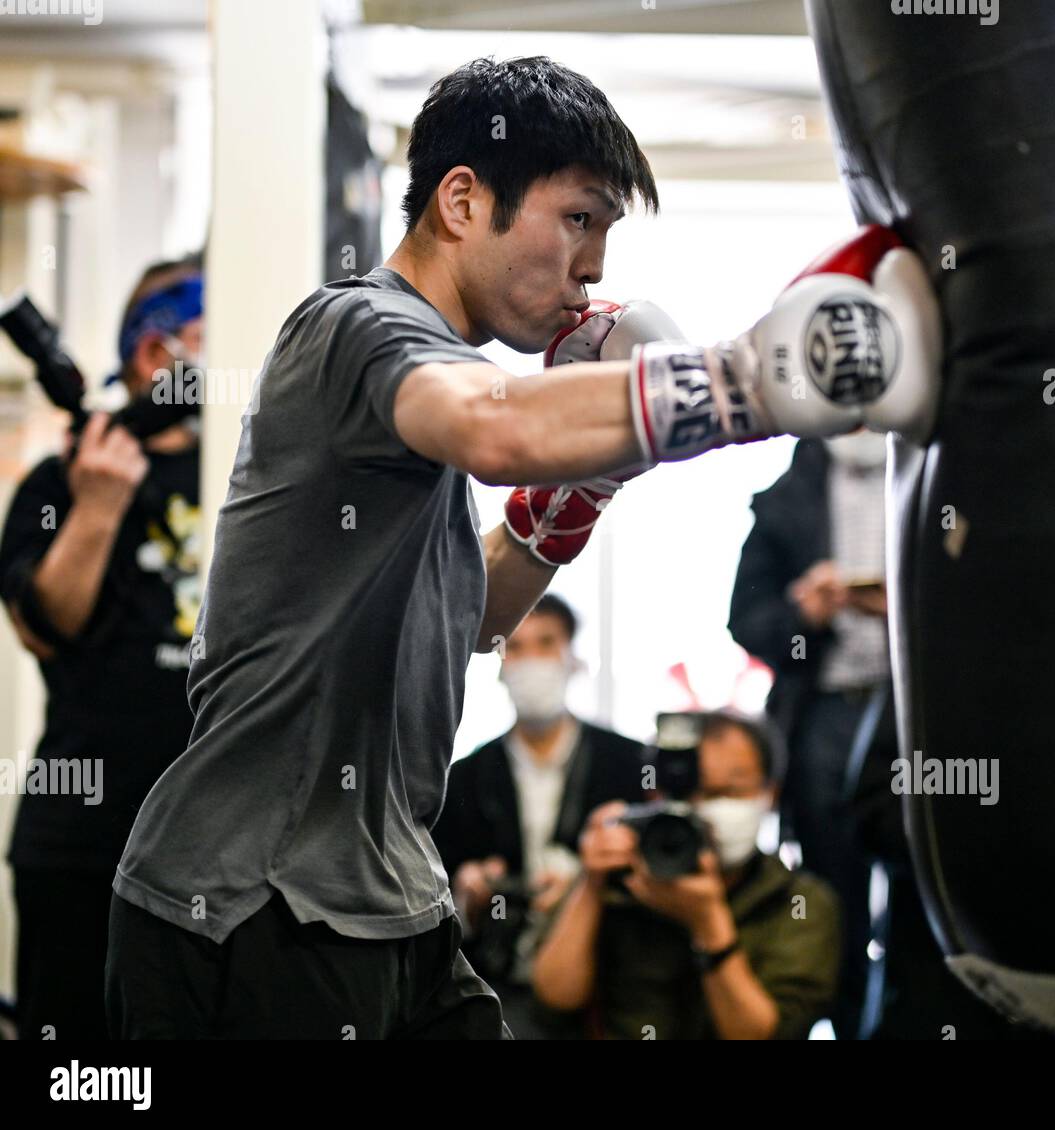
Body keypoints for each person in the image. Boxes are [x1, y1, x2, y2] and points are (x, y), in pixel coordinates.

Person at [104, 55, 936, 1040]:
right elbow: (493, 430)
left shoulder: (426, 387)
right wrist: (748, 381)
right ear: (462, 199)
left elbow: (482, 610)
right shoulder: (360, 327)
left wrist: (579, 487)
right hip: (254, 893)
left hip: (385, 884)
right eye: (577, 218)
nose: (592, 267)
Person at [0, 254, 204, 1040]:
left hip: (212, 851)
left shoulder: (243, 476)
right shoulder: (62, 481)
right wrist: (98, 507)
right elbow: (45, 627)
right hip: (80, 840)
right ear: (156, 354)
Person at [532, 709, 840, 1039]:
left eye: (732, 792)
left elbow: (767, 1034)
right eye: (697, 794)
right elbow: (555, 997)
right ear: (657, 797)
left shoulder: (801, 904)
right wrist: (591, 884)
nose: (710, 811)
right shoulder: (622, 878)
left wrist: (709, 924)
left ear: (770, 793)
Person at [728, 430, 890, 1038]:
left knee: (927, 895)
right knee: (832, 893)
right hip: (823, 714)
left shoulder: (940, 481)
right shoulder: (781, 501)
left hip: (915, 716)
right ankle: (846, 1023)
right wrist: (804, 613)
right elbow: (745, 621)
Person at [436, 593, 645, 1038]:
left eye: (546, 643)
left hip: (611, 980)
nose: (531, 662)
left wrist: (584, 885)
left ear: (572, 657)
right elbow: (437, 881)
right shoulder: (462, 780)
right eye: (516, 647)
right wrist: (467, 892)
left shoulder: (630, 764)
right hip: (496, 983)